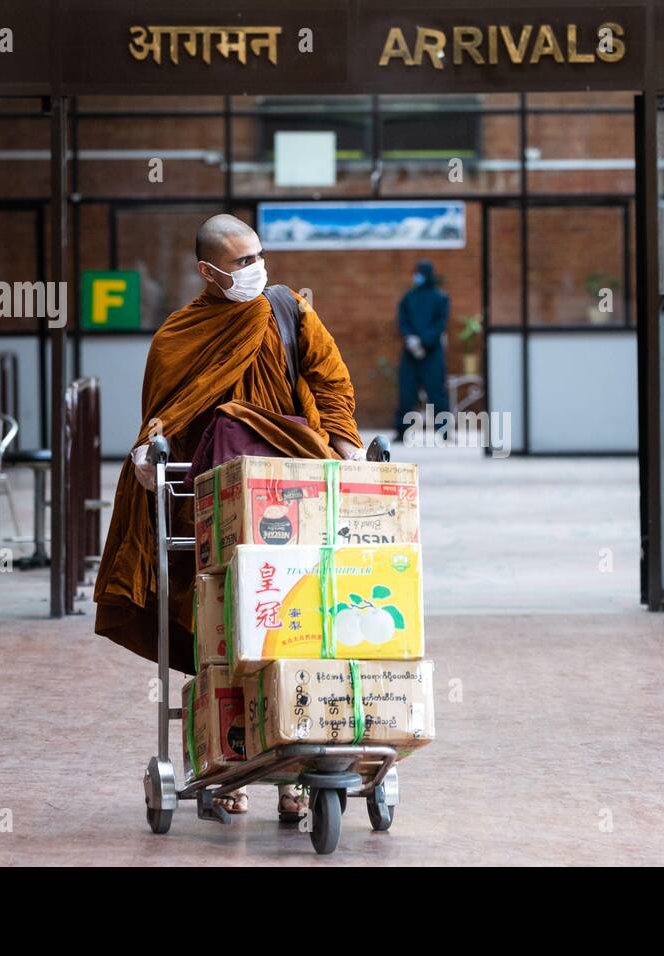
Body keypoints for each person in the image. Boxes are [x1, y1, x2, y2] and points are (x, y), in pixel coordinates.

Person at [93, 214, 364, 817]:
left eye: (258, 257)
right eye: (241, 263)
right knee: (224, 640)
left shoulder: (289, 312)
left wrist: (351, 453)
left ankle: (295, 780)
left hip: (296, 501)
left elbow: (331, 387)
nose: (254, 270)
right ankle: (226, 768)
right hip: (212, 517)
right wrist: (149, 445)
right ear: (207, 271)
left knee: (296, 633)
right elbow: (167, 413)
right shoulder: (178, 336)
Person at [393, 260, 450, 441]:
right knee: (406, 391)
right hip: (411, 352)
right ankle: (402, 430)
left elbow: (440, 324)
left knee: (436, 392)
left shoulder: (440, 297)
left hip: (432, 352)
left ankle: (444, 430)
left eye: (419, 273)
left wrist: (423, 342)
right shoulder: (408, 297)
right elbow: (403, 320)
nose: (415, 277)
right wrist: (411, 339)